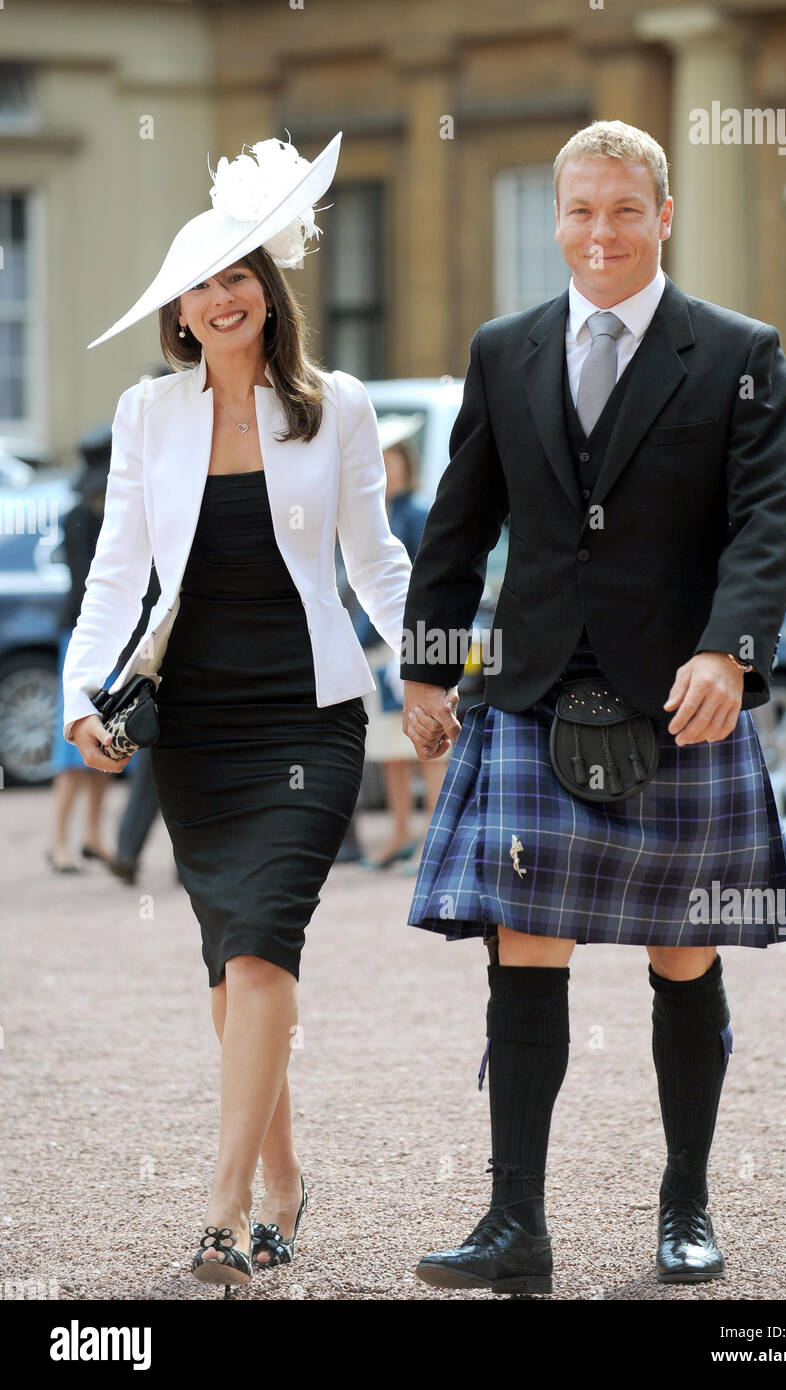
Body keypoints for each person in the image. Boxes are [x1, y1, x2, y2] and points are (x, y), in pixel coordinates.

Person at [398, 119, 786, 1296]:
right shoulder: (505, 347)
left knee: (684, 952)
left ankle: (684, 1209)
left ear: (663, 215)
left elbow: (764, 524)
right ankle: (512, 1224)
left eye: (622, 210)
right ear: (556, 220)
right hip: (534, 690)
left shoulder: (735, 351)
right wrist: (428, 666)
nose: (600, 232)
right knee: (524, 946)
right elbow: (459, 518)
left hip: (677, 699)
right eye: (580, 211)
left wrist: (727, 654)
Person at [61, 131, 413, 1291]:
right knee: (231, 975)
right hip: (197, 730)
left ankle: (221, 1212)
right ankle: (285, 1180)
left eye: (240, 275)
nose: (223, 298)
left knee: (264, 942)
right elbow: (116, 576)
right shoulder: (146, 416)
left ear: (270, 290)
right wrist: (79, 693)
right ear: (178, 311)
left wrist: (435, 667)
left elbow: (379, 564)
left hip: (310, 718)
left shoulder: (336, 406)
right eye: (202, 283)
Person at [355, 414, 450, 871]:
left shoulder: (416, 514)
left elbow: (418, 583)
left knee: (426, 744)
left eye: (394, 462)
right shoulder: (373, 513)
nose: (388, 471)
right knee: (389, 748)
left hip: (409, 643)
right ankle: (398, 834)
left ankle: (434, 836)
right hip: (376, 646)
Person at [47, 427, 121, 873]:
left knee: (109, 739)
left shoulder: (113, 514)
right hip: (80, 636)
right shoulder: (79, 517)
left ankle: (94, 835)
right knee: (73, 741)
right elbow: (86, 587)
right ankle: (59, 842)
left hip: (112, 640)